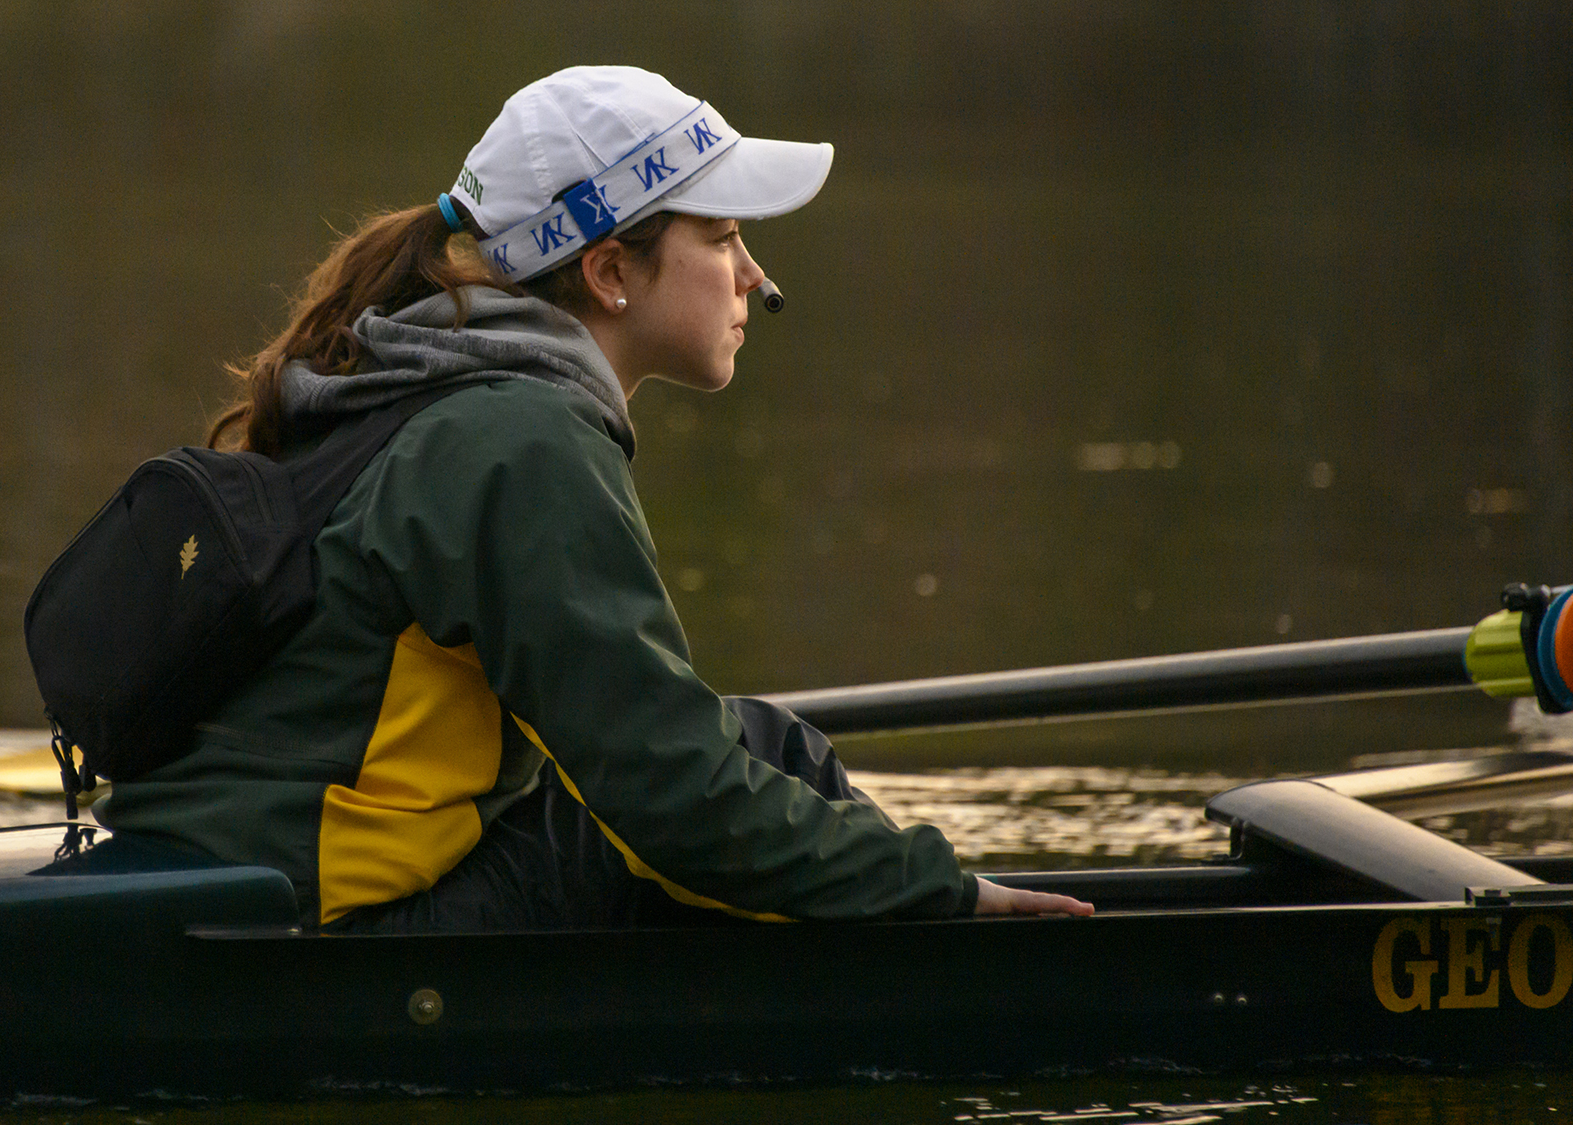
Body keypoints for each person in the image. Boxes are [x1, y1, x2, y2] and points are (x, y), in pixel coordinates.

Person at [97, 65, 1092, 931]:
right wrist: (936, 890)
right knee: (725, 794)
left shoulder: (417, 374)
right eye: (724, 237)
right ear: (611, 270)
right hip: (322, 931)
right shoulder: (520, 441)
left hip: (243, 866)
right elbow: (673, 800)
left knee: (760, 747)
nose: (753, 277)